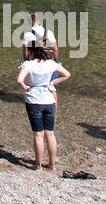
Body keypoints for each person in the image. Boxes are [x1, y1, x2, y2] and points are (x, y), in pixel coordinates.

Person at [17, 39, 71, 171]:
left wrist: (25, 86)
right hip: (49, 101)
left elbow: (19, 80)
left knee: (38, 134)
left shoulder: (28, 65)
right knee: (50, 134)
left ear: (30, 51)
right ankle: (52, 165)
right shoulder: (51, 64)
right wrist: (52, 83)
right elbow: (67, 74)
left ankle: (38, 165)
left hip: (34, 101)